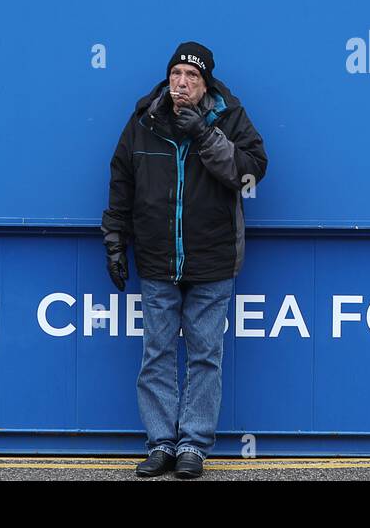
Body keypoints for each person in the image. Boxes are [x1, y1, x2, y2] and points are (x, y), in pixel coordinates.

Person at [102, 42, 267, 479]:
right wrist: (115, 239)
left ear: (206, 82)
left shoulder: (229, 118)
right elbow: (121, 181)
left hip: (212, 260)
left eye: (192, 76)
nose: (182, 82)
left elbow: (249, 172)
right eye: (177, 73)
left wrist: (204, 134)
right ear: (167, 77)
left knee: (204, 355)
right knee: (156, 353)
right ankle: (160, 443)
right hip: (157, 259)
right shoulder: (143, 121)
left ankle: (193, 445)